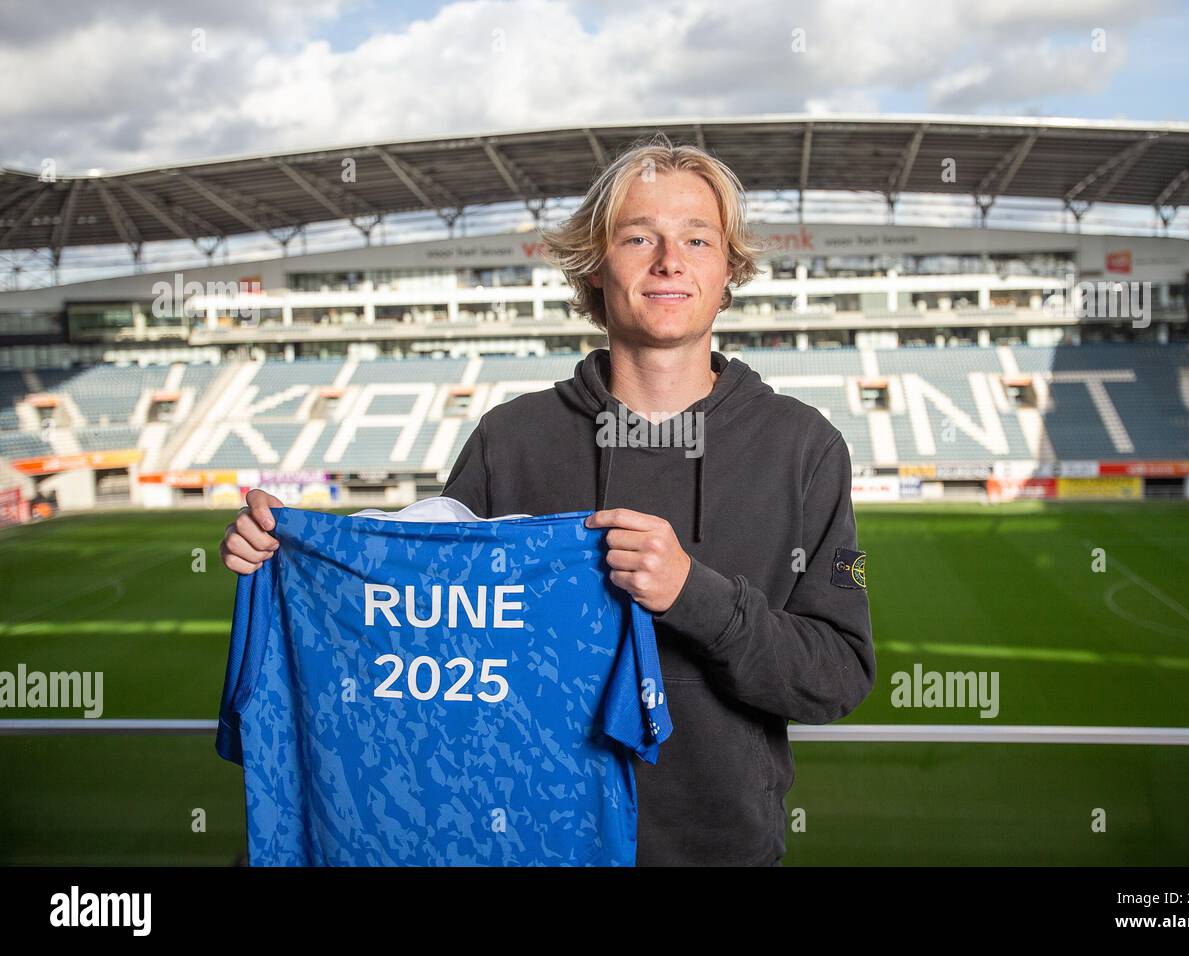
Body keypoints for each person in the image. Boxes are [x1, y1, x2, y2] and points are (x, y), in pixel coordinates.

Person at [221, 132, 876, 866]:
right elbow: (425, 628)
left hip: (720, 854)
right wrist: (293, 559)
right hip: (523, 848)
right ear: (596, 267)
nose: (670, 261)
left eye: (697, 238)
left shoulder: (803, 446)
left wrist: (697, 595)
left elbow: (835, 678)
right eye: (639, 237)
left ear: (728, 270)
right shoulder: (512, 439)